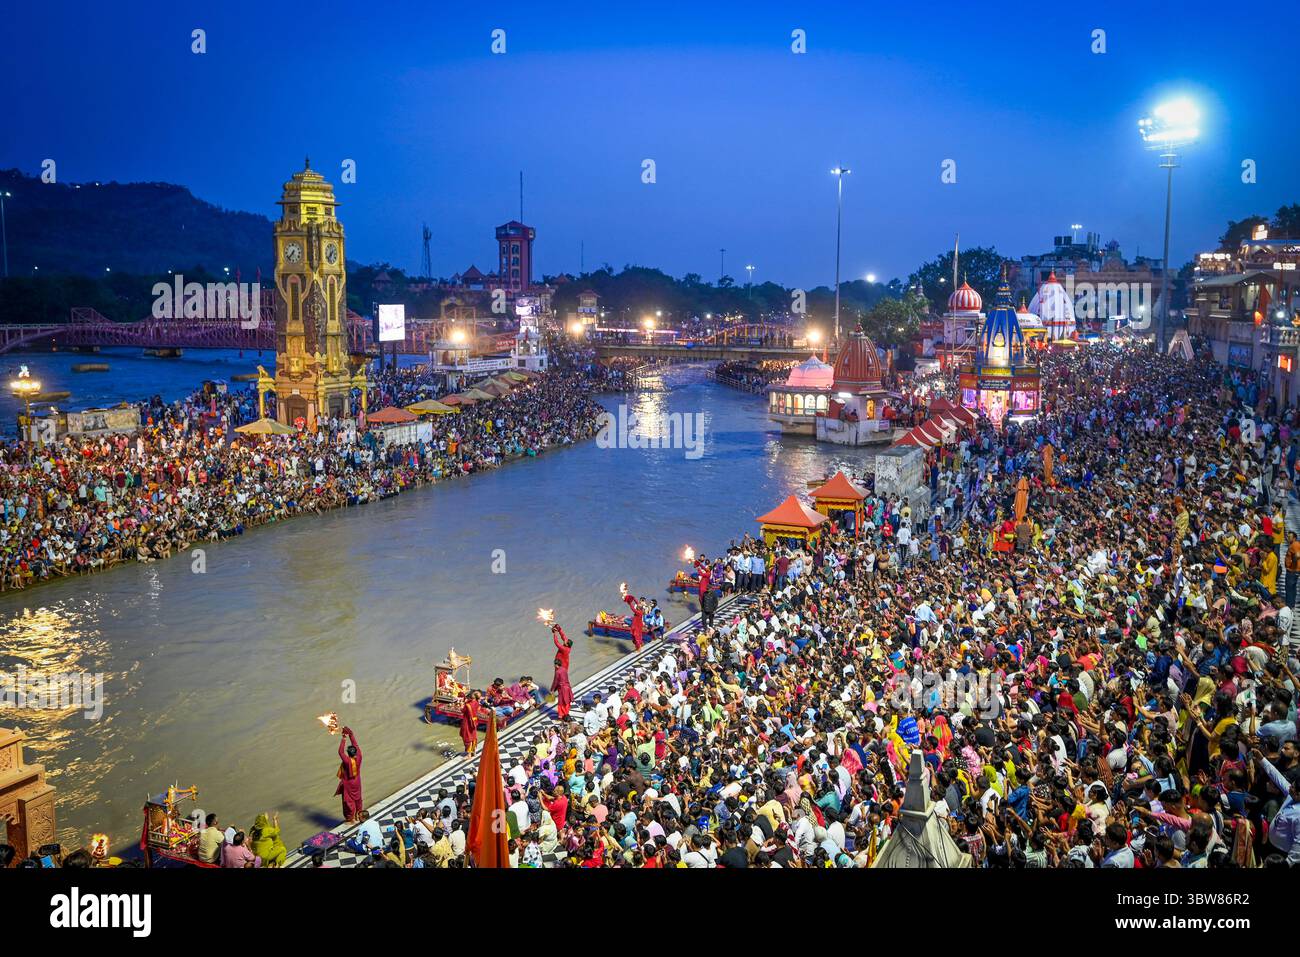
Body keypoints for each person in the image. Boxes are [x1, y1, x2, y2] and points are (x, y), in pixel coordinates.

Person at [335, 726, 364, 823]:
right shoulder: (359, 756)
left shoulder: (347, 761)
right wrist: (351, 734)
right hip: (357, 782)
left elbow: (340, 752)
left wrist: (343, 738)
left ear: (348, 753)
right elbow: (356, 745)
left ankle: (350, 818)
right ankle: (359, 815)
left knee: (349, 802)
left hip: (348, 783)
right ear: (355, 752)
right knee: (358, 798)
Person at [551, 624, 574, 719]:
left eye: (565, 641)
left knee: (558, 681)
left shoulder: (564, 649)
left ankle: (561, 715)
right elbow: (564, 637)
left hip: (561, 668)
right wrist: (559, 630)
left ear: (567, 644)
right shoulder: (567, 646)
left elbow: (556, 643)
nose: (564, 640)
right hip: (563, 669)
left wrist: (554, 634)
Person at [460, 691, 482, 755]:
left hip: (467, 722)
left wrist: (462, 705)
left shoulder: (468, 705)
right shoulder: (477, 703)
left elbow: (462, 710)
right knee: (473, 736)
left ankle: (469, 754)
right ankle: (473, 751)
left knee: (467, 737)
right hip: (474, 721)